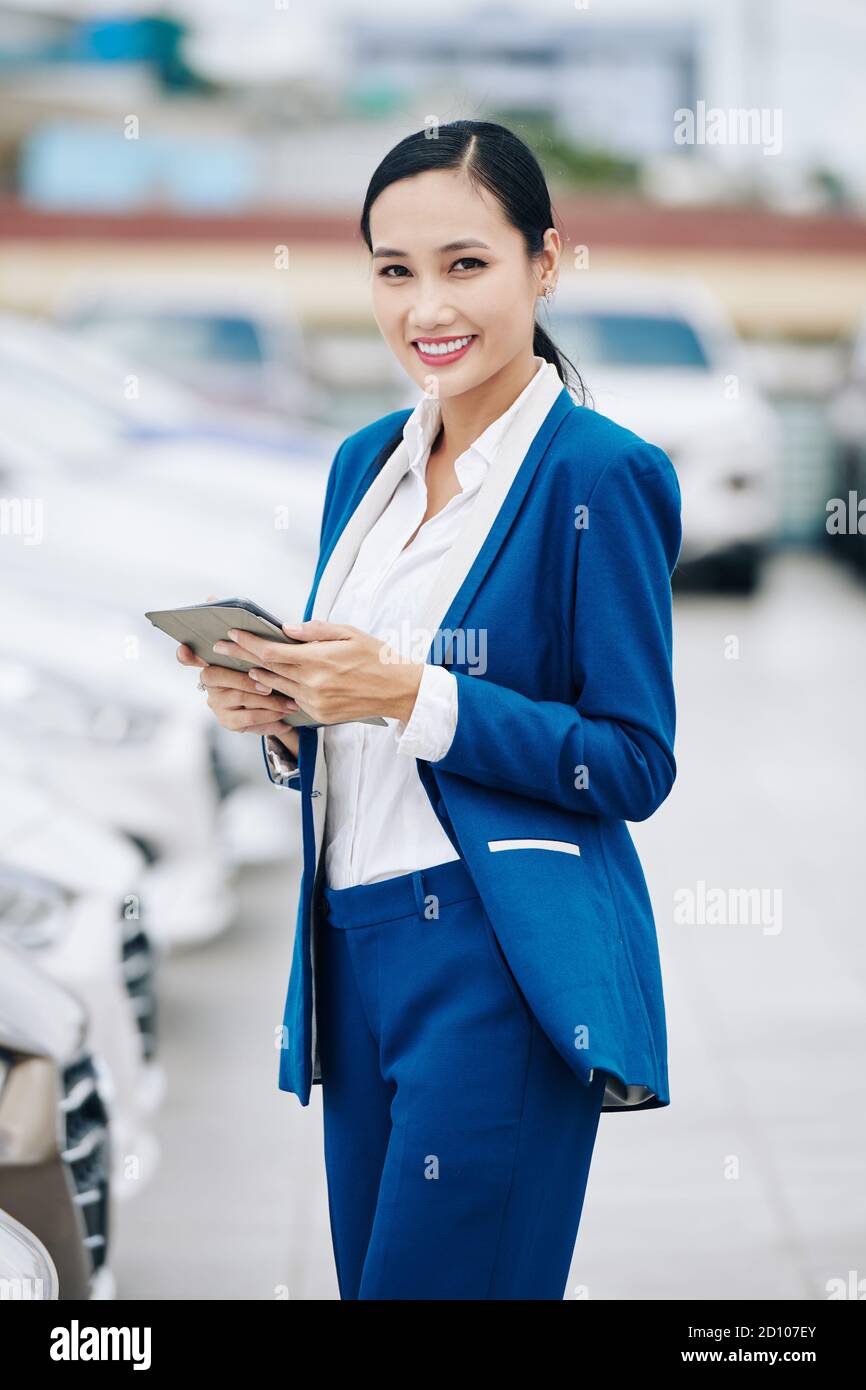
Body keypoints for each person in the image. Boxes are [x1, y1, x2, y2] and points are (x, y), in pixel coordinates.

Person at [176, 119, 682, 1300]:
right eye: (393, 270)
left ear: (543, 263)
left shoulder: (595, 475)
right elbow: (350, 733)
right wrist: (280, 711)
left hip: (491, 957)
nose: (425, 307)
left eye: (465, 264)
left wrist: (413, 693)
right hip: (351, 959)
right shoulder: (364, 465)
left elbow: (632, 760)